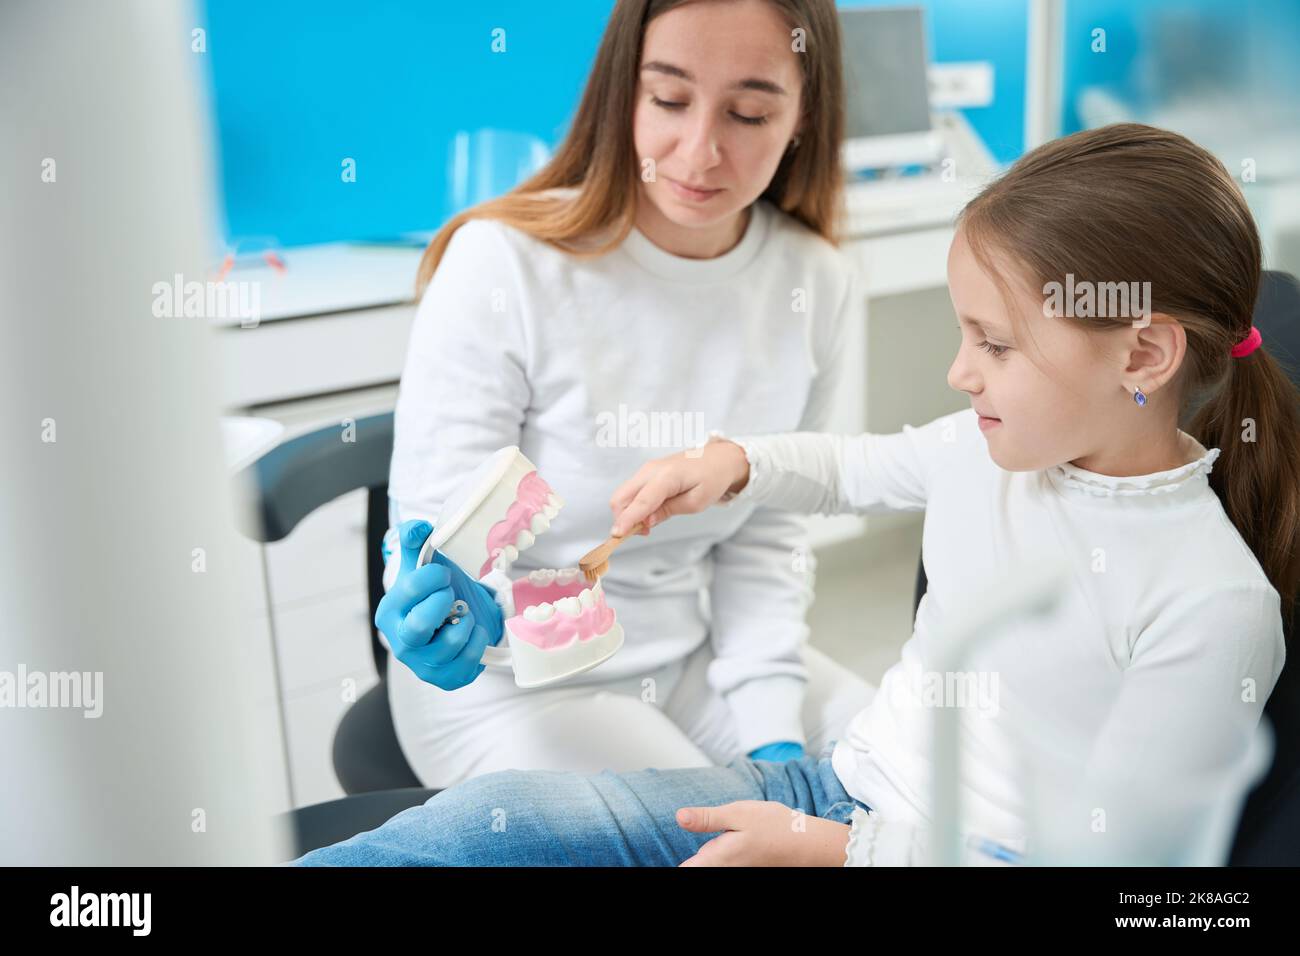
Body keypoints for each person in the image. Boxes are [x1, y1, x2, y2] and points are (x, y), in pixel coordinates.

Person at [297, 124, 1293, 866]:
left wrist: (835, 850)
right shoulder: (990, 454)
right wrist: (731, 463)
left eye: (994, 342)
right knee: (490, 820)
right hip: (826, 787)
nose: (959, 370)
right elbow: (847, 466)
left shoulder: (1210, 605)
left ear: (1143, 353)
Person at [379, 0, 875, 791]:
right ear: (624, 93)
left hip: (694, 657)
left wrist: (772, 732)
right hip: (511, 683)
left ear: (803, 115)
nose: (700, 151)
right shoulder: (503, 265)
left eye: (749, 112)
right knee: (700, 839)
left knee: (920, 781)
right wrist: (450, 613)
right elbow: (450, 532)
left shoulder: (816, 283)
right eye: (670, 99)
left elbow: (766, 544)